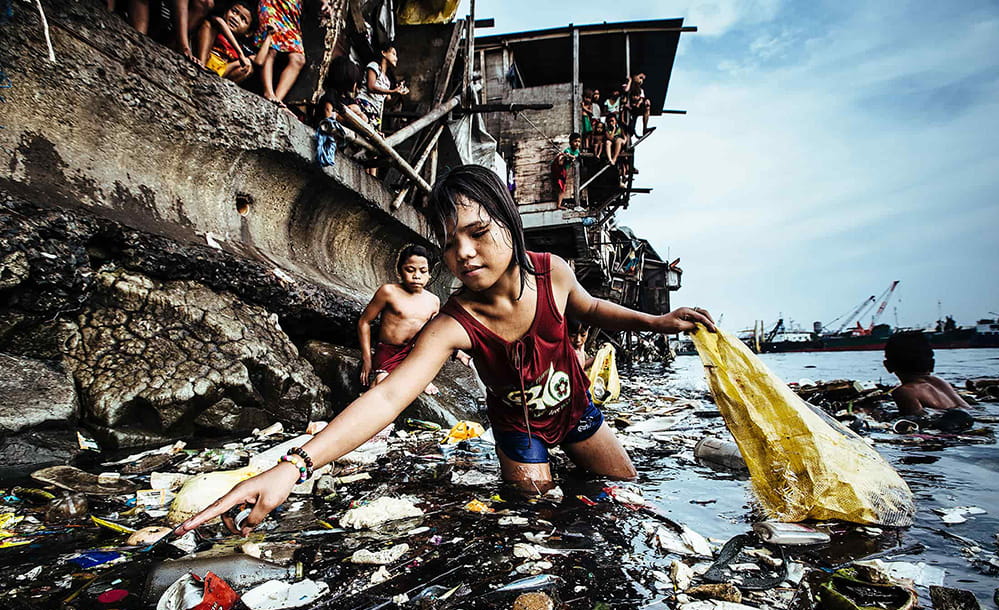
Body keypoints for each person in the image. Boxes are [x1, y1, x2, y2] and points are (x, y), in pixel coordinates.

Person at [177, 165, 714, 536]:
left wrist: (657, 321)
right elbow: (387, 399)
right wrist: (293, 466)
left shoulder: (553, 273)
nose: (465, 253)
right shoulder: (453, 323)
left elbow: (592, 308)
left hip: (576, 412)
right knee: (537, 518)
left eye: (478, 232)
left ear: (510, 220)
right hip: (520, 431)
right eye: (450, 243)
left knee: (623, 492)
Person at [357, 245, 443, 395]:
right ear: (399, 271)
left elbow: (433, 336)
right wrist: (367, 358)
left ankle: (419, 375)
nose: (416, 276)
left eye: (423, 271)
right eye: (410, 270)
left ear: (429, 274)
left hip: (413, 355)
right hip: (387, 352)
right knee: (383, 384)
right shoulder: (388, 292)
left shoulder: (433, 301)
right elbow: (364, 322)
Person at [883, 331, 971, 415]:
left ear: (888, 366)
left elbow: (914, 420)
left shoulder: (905, 392)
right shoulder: (940, 382)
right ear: (932, 364)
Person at [194, 0, 258, 83]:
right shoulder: (215, 28)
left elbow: (259, 61)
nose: (235, 18)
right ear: (225, 13)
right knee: (207, 25)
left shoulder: (243, 47)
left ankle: (219, 82)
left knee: (248, 67)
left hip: (222, 71)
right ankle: (201, 65)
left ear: (248, 33)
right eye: (234, 11)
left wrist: (269, 36)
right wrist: (240, 54)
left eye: (243, 19)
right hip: (206, 58)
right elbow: (219, 21)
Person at [256, 0, 305, 105]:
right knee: (271, 46)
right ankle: (268, 92)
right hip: (272, 4)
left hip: (291, 10)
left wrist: (325, 3)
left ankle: (277, 99)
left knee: (299, 59)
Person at [357, 42, 409, 134]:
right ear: (383, 53)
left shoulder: (387, 81)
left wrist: (398, 94)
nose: (396, 58)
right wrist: (392, 91)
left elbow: (388, 103)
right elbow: (371, 87)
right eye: (393, 54)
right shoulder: (374, 66)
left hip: (376, 112)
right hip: (364, 104)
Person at [552, 133, 582, 209]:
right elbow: (565, 155)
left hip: (565, 171)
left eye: (579, 141)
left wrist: (571, 156)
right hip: (560, 170)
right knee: (561, 187)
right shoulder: (568, 150)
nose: (577, 143)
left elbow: (575, 157)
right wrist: (567, 156)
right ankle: (559, 204)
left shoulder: (577, 152)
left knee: (562, 187)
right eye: (575, 141)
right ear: (570, 142)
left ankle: (559, 204)